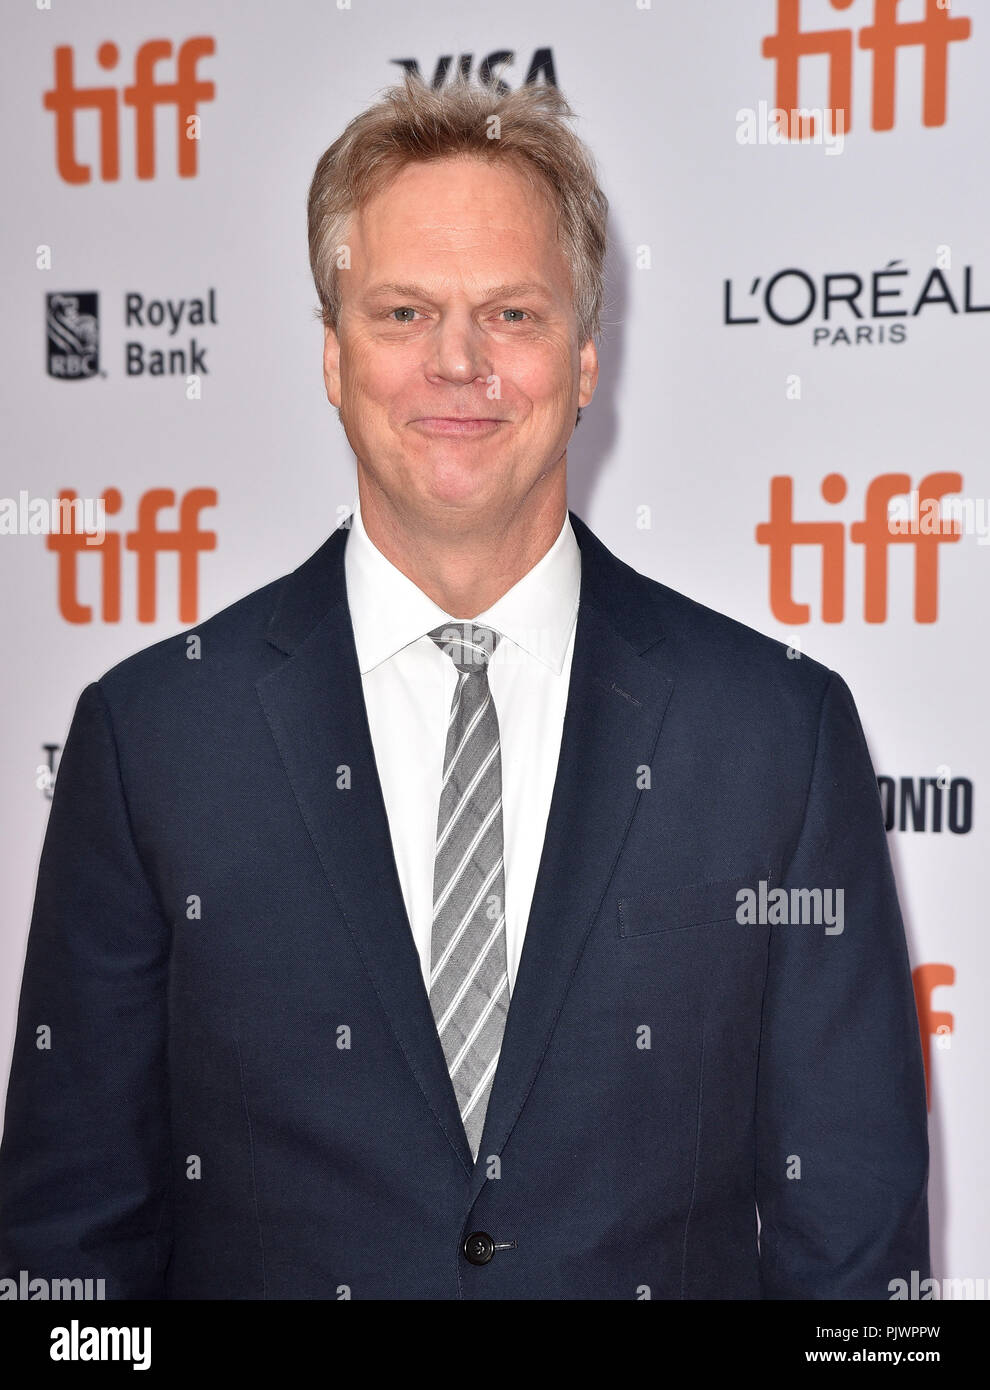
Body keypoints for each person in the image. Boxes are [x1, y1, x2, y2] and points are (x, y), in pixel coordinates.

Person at [0, 75, 929, 1300]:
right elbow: (72, 1266)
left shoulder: (775, 733)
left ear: (587, 358)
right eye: (401, 312)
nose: (457, 362)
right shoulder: (153, 734)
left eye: (511, 313)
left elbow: (856, 1273)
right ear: (333, 357)